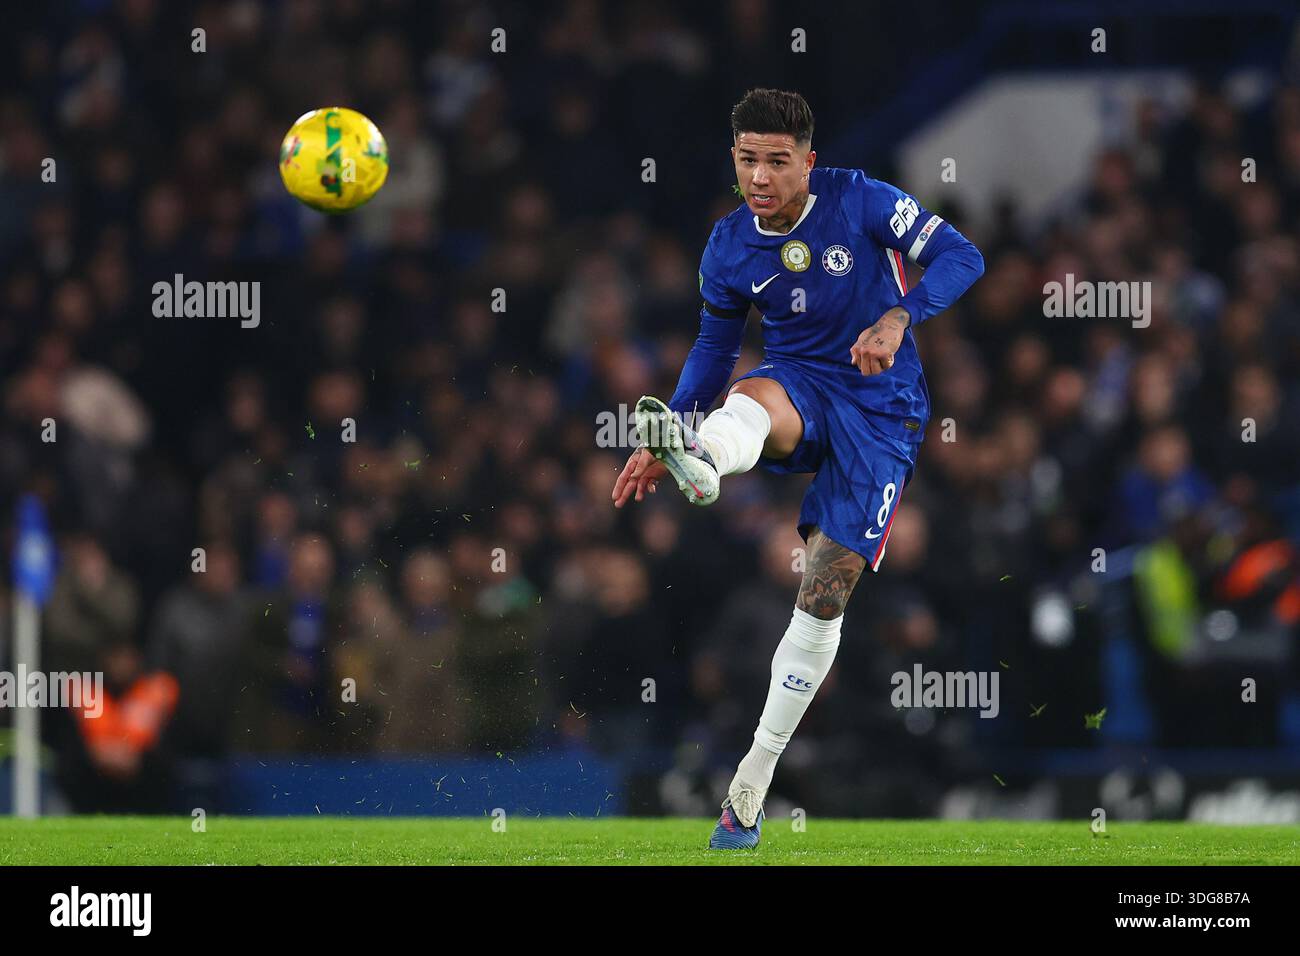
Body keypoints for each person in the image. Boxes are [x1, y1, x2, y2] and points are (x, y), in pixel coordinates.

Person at [611, 88, 984, 849]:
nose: (761, 176)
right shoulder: (727, 246)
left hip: (883, 412)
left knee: (823, 592)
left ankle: (752, 780)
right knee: (752, 395)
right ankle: (705, 460)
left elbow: (962, 255)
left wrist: (898, 315)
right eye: (748, 159)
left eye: (778, 161)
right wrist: (672, 428)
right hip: (801, 384)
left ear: (808, 163)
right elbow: (716, 351)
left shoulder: (863, 200)